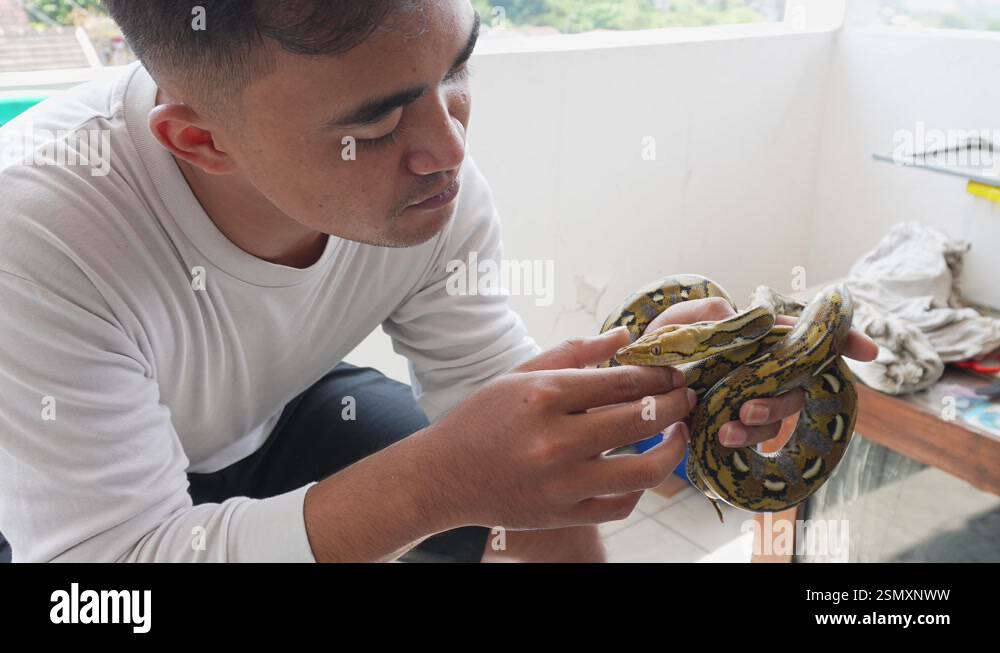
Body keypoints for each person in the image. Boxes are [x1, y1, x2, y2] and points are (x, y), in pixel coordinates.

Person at [0, 0, 878, 563]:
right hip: (50, 497)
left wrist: (674, 385)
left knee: (484, 485)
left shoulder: (438, 192)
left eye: (455, 68)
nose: (450, 151)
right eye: (376, 122)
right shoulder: (35, 233)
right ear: (201, 141)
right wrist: (434, 483)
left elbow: (520, 426)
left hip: (279, 408)